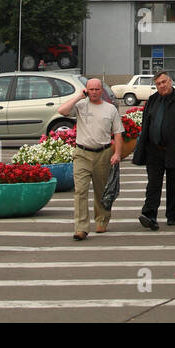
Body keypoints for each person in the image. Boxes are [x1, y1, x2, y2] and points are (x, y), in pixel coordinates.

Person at [58, 77, 123, 240]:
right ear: (86, 90)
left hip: (103, 153)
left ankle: (101, 220)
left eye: (97, 89)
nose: (94, 92)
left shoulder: (110, 109)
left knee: (101, 191)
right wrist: (79, 96)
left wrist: (117, 153)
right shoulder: (80, 106)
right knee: (80, 191)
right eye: (91, 89)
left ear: (102, 90)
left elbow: (118, 133)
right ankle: (81, 228)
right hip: (82, 154)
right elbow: (62, 111)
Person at [133, 70, 175, 229]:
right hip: (154, 150)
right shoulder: (153, 100)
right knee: (153, 184)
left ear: (170, 81)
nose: (162, 86)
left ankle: (172, 214)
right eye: (158, 84)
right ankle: (149, 215)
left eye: (164, 82)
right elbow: (146, 123)